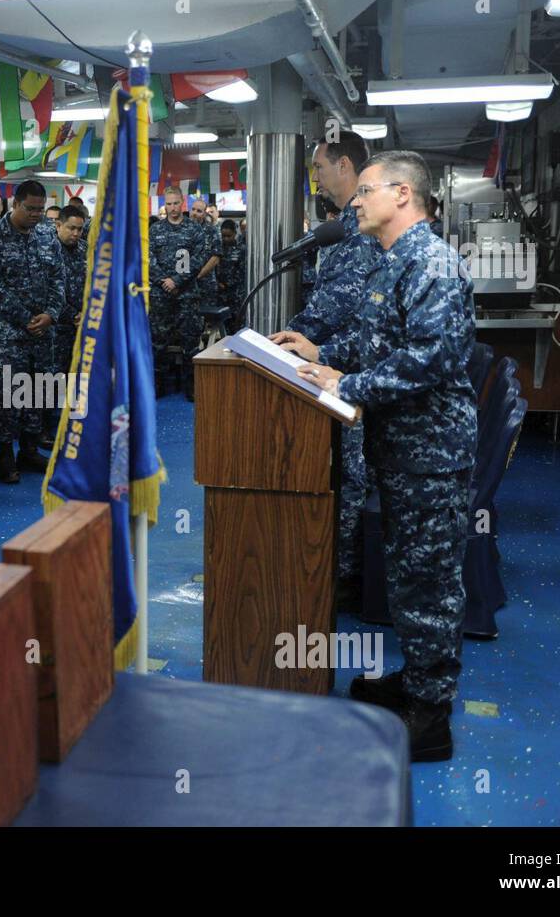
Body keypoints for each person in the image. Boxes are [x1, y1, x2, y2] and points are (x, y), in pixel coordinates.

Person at [271, 150, 477, 762]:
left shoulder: (433, 264)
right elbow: (377, 337)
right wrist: (322, 350)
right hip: (403, 445)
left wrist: (347, 385)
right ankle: (415, 683)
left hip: (431, 452)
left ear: (403, 196)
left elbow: (431, 359)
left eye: (365, 191)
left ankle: (432, 716)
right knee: (409, 574)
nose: (355, 203)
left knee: (430, 580)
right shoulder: (394, 263)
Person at [282, 131, 383, 609]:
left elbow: (338, 307)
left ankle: (342, 578)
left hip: (349, 371)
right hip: (340, 364)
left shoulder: (356, 231)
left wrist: (293, 340)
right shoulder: (343, 226)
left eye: (320, 168)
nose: (316, 177)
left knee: (349, 475)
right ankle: (342, 571)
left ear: (344, 166)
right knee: (345, 474)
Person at [0, 179, 64, 483]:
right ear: (15, 204)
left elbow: (58, 280)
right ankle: (5, 453)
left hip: (42, 332)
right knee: (9, 394)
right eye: (31, 208)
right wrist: (27, 317)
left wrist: (51, 313)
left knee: (38, 390)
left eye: (41, 209)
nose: (37, 214)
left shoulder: (47, 238)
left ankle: (29, 448)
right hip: (6, 333)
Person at [149, 187, 218, 400]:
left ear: (182, 204)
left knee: (190, 341)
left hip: (187, 294)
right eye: (168, 204)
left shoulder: (194, 230)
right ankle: (157, 384)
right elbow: (149, 259)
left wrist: (177, 280)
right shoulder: (155, 230)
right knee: (158, 342)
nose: (172, 208)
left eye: (176, 203)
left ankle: (191, 386)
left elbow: (198, 259)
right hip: (161, 295)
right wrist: (165, 281)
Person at [50, 205, 87, 377]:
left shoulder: (86, 250)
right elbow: (46, 290)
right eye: (71, 228)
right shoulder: (47, 250)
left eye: (79, 229)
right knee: (53, 383)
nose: (76, 233)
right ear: (58, 225)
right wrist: (72, 315)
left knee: (82, 380)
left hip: (84, 325)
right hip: (57, 327)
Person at [214, 218, 245, 322]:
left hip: (236, 293)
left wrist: (228, 284)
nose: (226, 239)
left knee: (237, 322)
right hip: (221, 294)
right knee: (224, 324)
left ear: (235, 233)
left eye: (229, 236)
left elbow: (241, 271)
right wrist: (218, 283)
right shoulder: (218, 249)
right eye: (223, 236)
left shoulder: (241, 249)